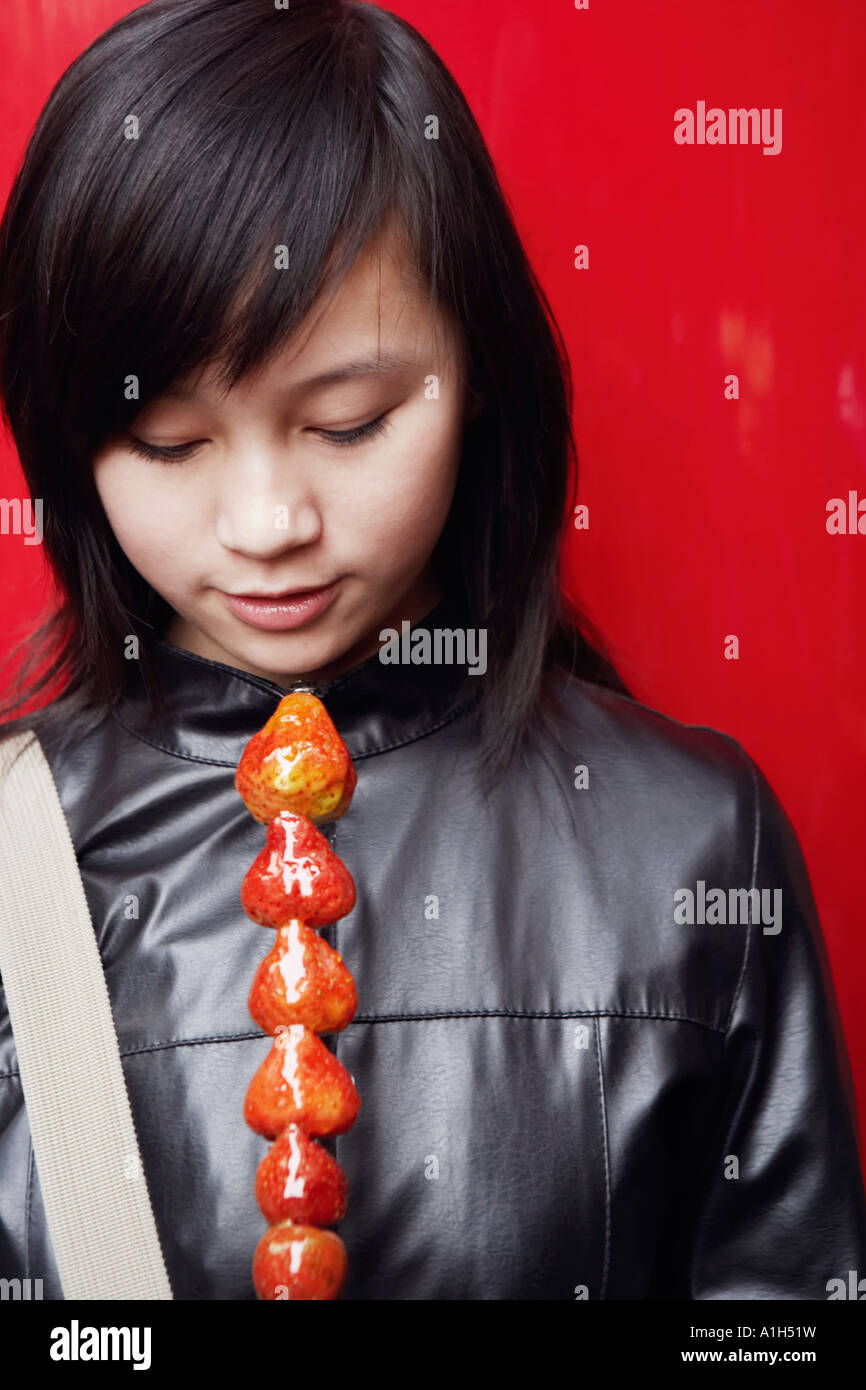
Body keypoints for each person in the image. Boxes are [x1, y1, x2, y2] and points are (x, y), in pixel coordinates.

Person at [0, 0, 863, 1301]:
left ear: (480, 379)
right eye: (170, 443)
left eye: (348, 422)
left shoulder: (694, 840)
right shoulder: (14, 856)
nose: (267, 525)